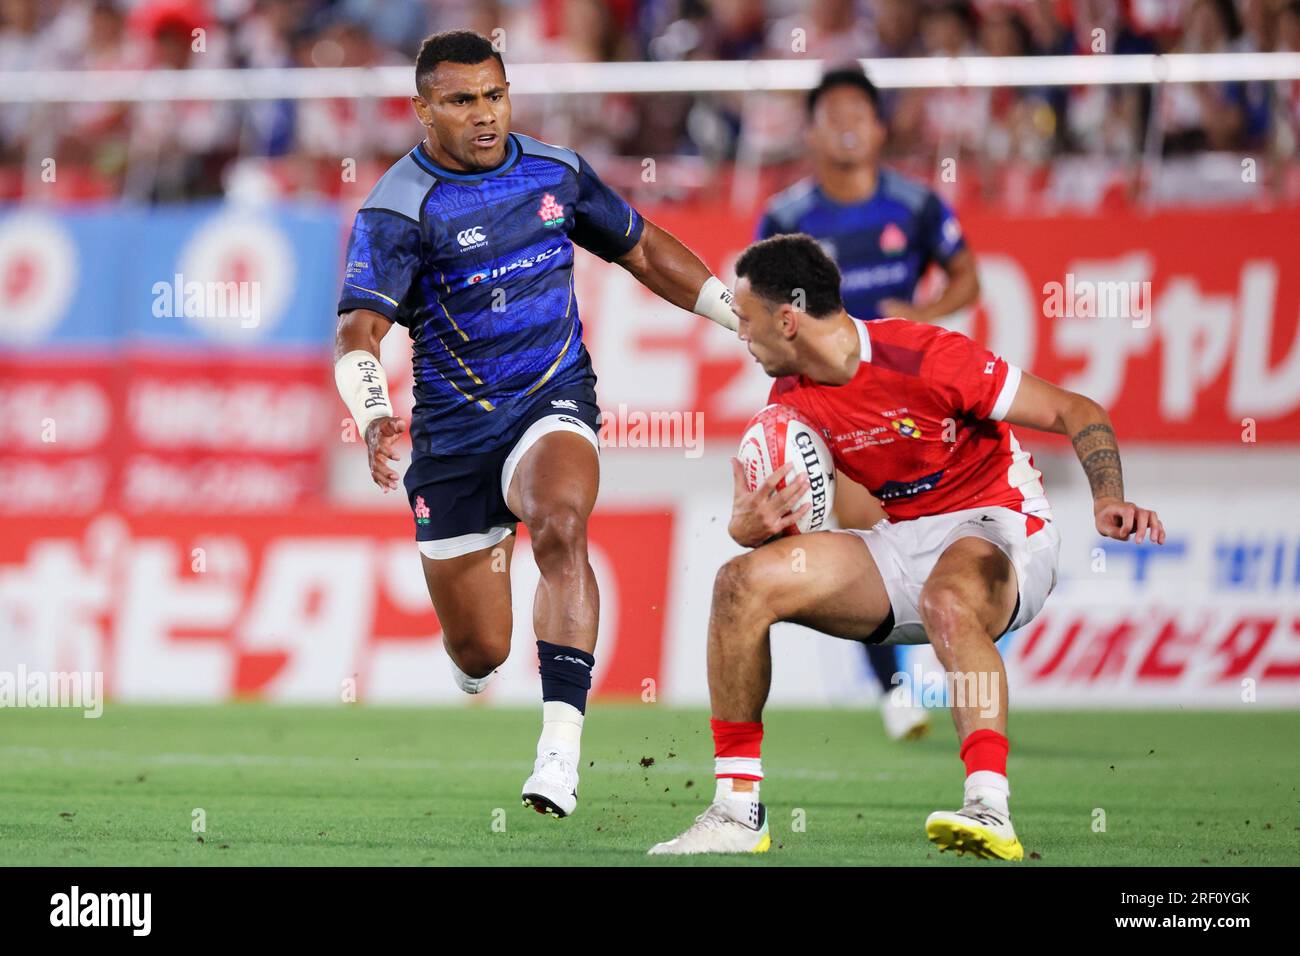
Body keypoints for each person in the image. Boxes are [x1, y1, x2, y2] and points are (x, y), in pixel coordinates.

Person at [649, 235, 1164, 858]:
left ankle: (989, 805)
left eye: (749, 321)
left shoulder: (925, 356)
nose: (742, 335)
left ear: (789, 319)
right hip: (903, 541)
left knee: (949, 597)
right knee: (740, 583)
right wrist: (747, 527)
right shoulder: (790, 402)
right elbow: (782, 522)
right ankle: (736, 812)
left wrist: (1108, 496)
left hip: (1002, 523)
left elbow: (1075, 410)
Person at [333, 30, 738, 819]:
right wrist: (376, 413)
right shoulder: (396, 210)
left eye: (494, 95)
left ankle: (558, 755)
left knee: (560, 522)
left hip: (551, 398)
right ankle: (476, 665)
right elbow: (358, 333)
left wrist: (737, 318)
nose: (483, 115)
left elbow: (645, 251)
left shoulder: (556, 173)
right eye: (459, 101)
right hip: (452, 436)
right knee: (481, 649)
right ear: (422, 111)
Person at [756, 65, 980, 741]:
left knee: (931, 533)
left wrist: (922, 313)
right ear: (812, 130)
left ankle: (940, 667)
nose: (849, 124)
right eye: (833, 113)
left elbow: (969, 276)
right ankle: (895, 690)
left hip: (912, 399)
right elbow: (761, 306)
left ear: (881, 128)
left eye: (861, 112)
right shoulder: (787, 217)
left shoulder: (913, 205)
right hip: (832, 404)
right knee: (859, 536)